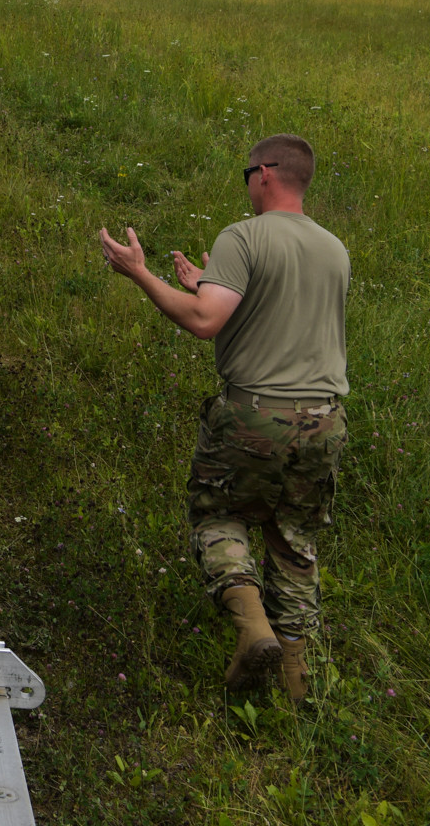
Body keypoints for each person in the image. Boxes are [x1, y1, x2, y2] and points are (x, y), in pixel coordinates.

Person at [97, 133, 350, 704]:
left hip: (253, 418)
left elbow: (206, 322)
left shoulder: (244, 236)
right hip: (325, 422)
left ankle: (252, 629)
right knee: (294, 541)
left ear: (264, 173)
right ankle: (296, 688)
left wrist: (140, 273)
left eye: (246, 175)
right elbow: (274, 319)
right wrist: (212, 284)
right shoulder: (335, 248)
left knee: (218, 516)